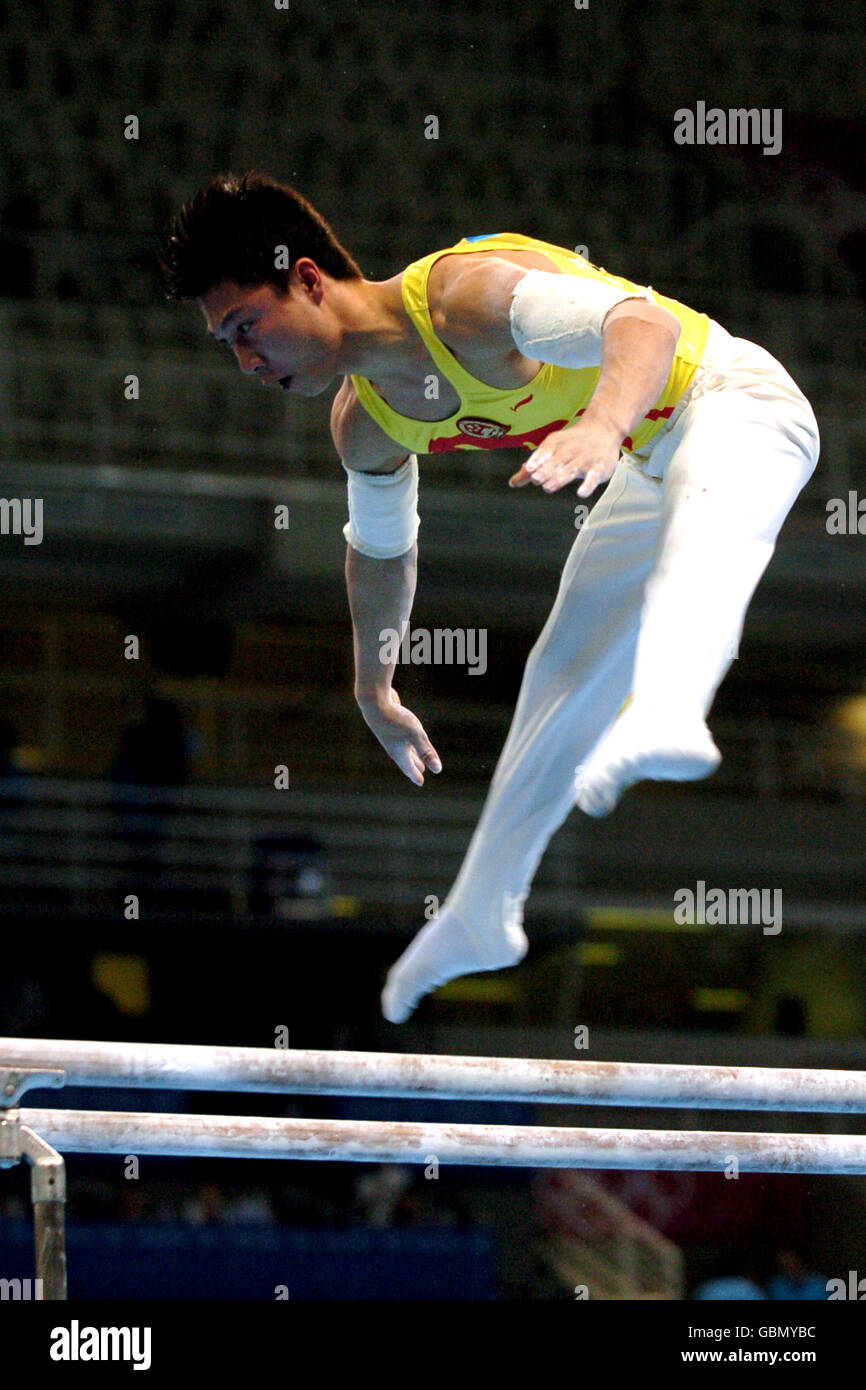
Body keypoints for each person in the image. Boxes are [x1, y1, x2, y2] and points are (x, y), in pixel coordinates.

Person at [160, 172, 820, 1024]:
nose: (247, 361)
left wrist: (601, 425)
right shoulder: (365, 422)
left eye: (248, 326)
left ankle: (669, 704)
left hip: (736, 405)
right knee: (561, 671)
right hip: (646, 456)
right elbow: (384, 549)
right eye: (228, 344)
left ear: (311, 280)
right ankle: (481, 910)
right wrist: (374, 682)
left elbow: (642, 324)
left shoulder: (462, 301)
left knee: (706, 519)